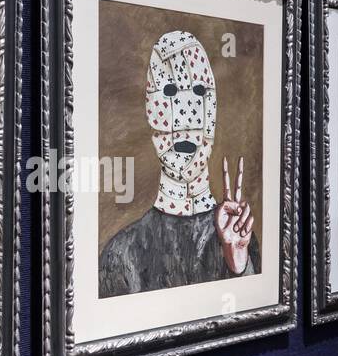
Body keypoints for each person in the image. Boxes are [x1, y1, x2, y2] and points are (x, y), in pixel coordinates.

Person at [98, 30, 258, 297]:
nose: (184, 112)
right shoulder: (121, 254)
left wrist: (238, 264)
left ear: (212, 111)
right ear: (150, 111)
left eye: (198, 91)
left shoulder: (240, 238)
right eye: (170, 91)